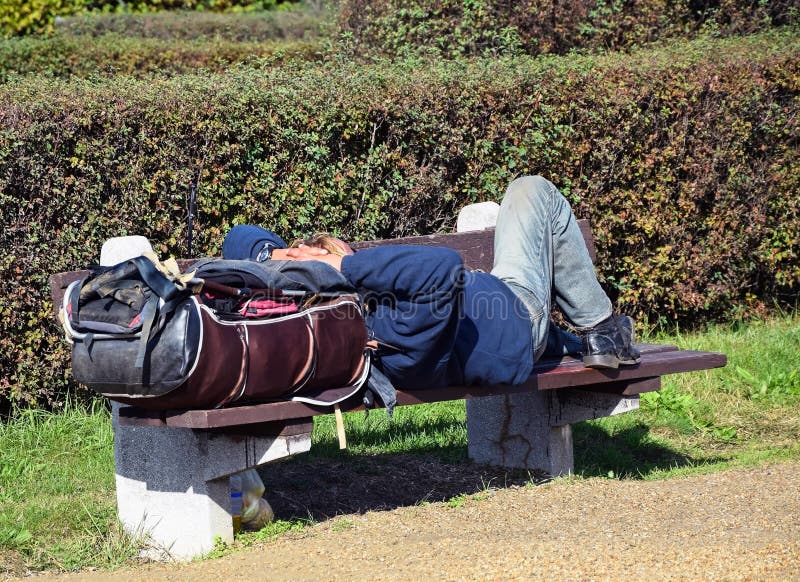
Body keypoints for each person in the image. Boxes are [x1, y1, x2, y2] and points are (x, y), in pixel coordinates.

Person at [221, 175, 640, 391]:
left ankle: (583, 338)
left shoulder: (374, 318)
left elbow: (238, 235)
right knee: (531, 191)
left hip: (502, 324)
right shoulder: (390, 333)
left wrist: (274, 262)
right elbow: (442, 267)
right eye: (341, 254)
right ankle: (602, 329)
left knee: (558, 338)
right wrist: (338, 265)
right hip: (517, 314)